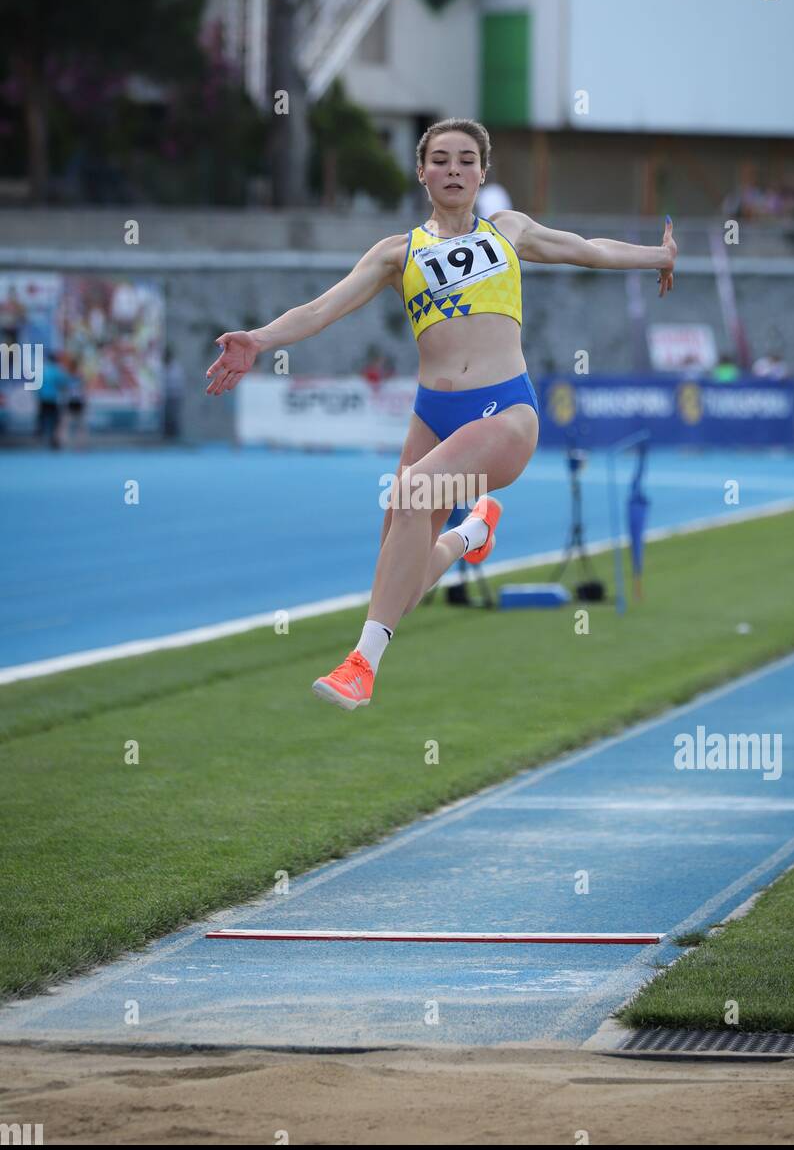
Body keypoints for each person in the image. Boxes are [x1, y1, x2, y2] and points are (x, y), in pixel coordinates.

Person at [206, 118, 677, 710]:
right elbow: (322, 309)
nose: (454, 170)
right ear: (422, 172)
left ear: (483, 173)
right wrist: (259, 338)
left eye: (466, 160)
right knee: (397, 585)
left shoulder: (509, 230)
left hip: (505, 413)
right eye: (441, 160)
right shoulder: (396, 254)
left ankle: (362, 665)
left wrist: (657, 254)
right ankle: (471, 533)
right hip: (433, 414)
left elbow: (588, 249)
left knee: (409, 496)